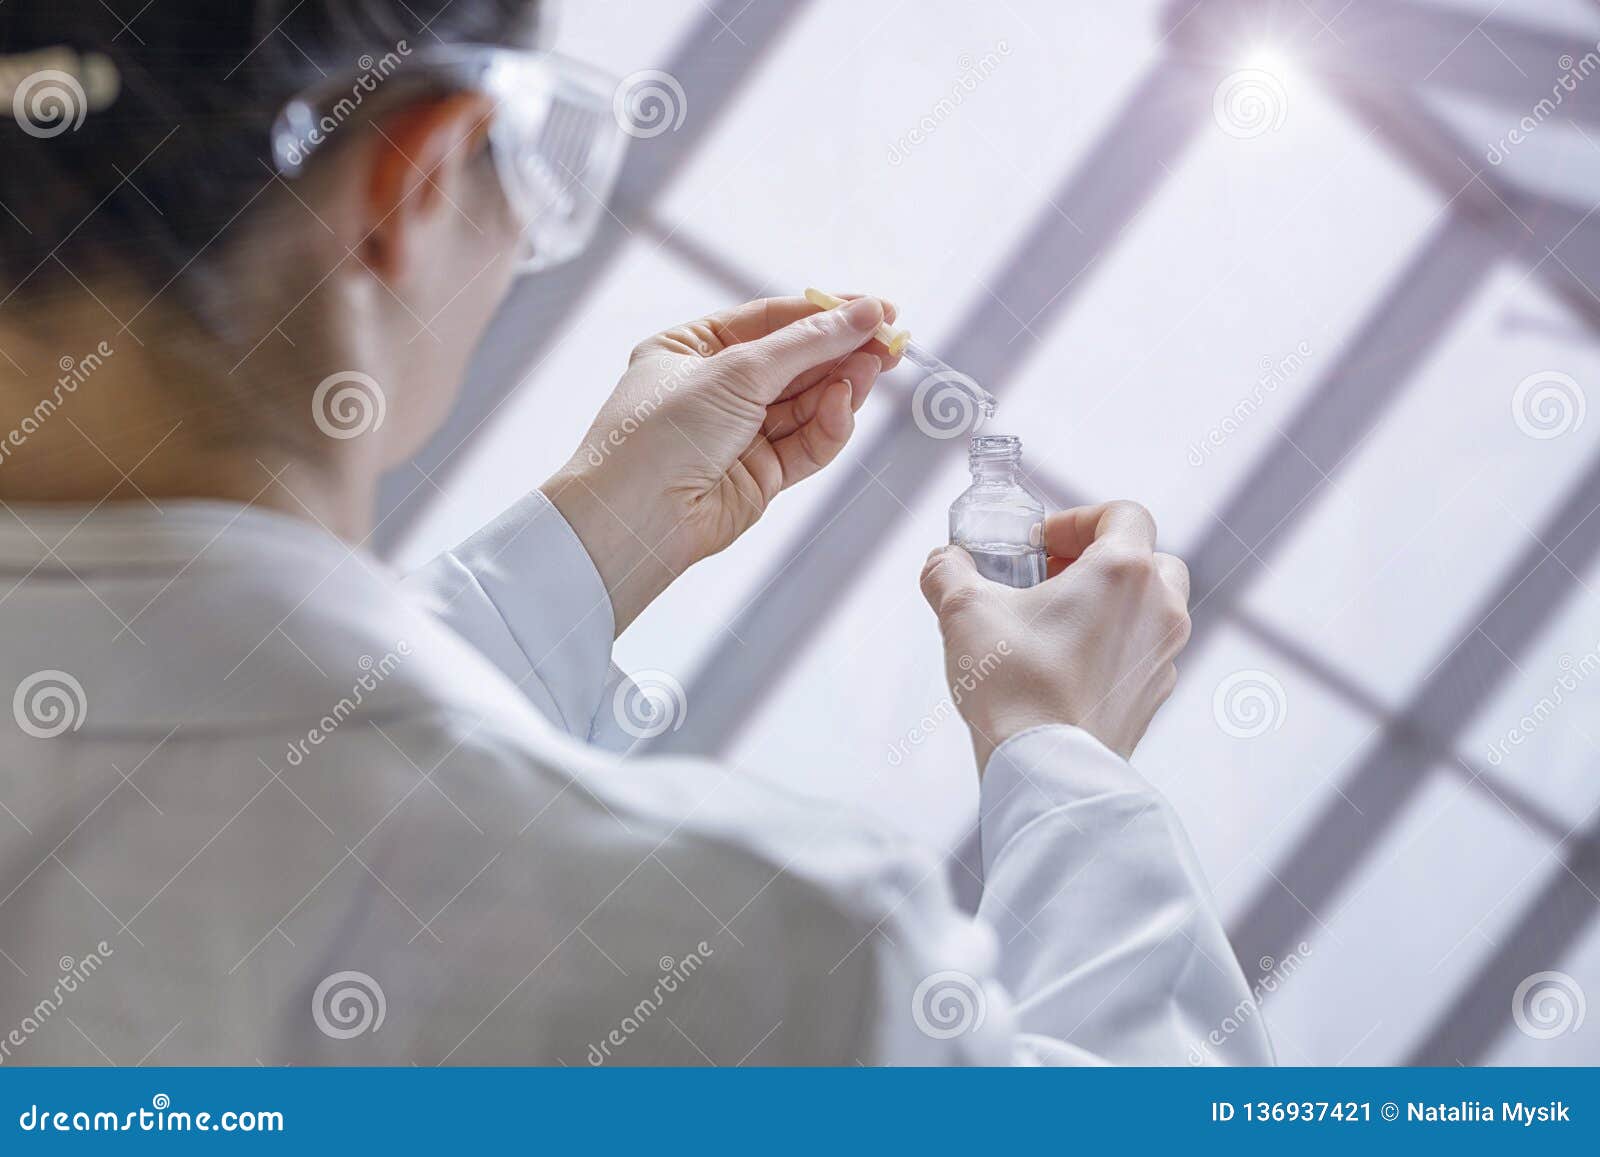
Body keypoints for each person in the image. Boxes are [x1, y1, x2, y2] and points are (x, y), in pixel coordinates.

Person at [0, 2, 1271, 1065]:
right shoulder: (759, 955)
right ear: (413, 181)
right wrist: (1065, 761)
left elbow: (240, 758)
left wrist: (597, 536)